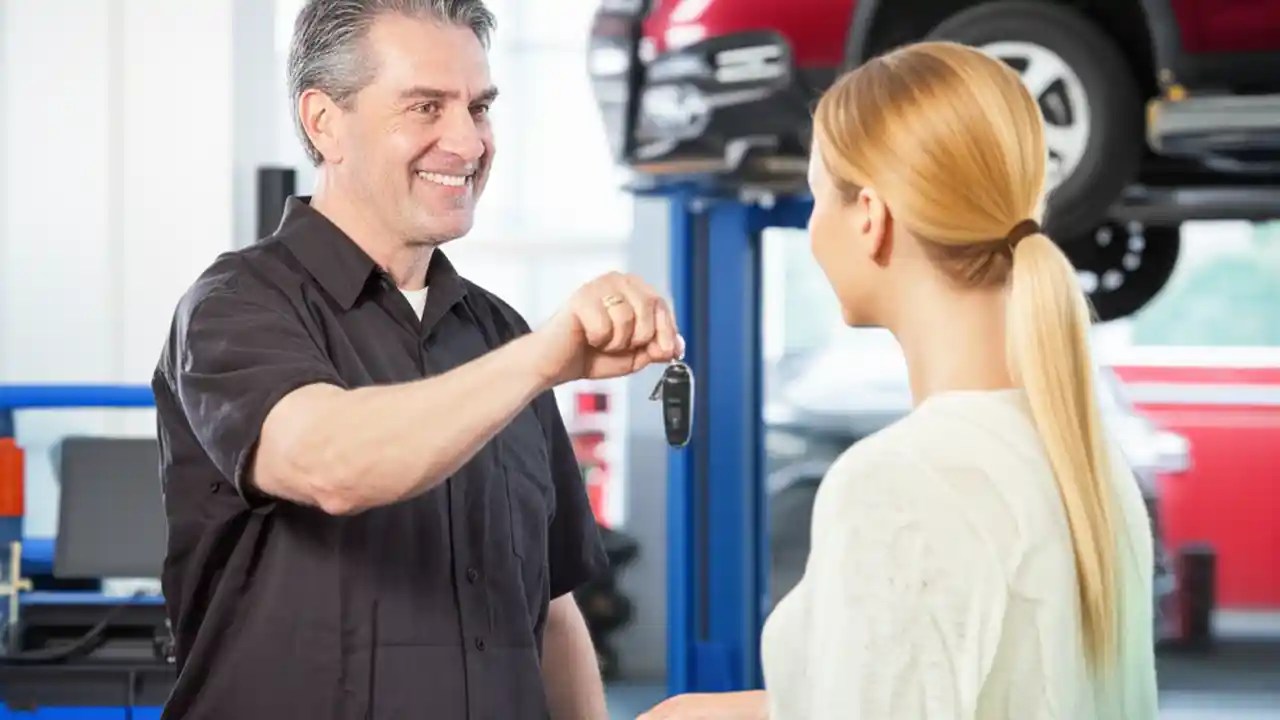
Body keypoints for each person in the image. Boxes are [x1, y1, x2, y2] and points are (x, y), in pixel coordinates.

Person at [151, 1, 681, 718]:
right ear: (323, 122)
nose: (466, 143)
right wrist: (541, 360)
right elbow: (329, 462)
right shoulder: (236, 307)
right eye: (426, 107)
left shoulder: (500, 335)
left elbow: (552, 612)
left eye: (480, 108)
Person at [640, 41, 1158, 720]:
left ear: (871, 218)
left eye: (817, 194)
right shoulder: (1083, 463)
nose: (813, 226)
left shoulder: (901, 483)